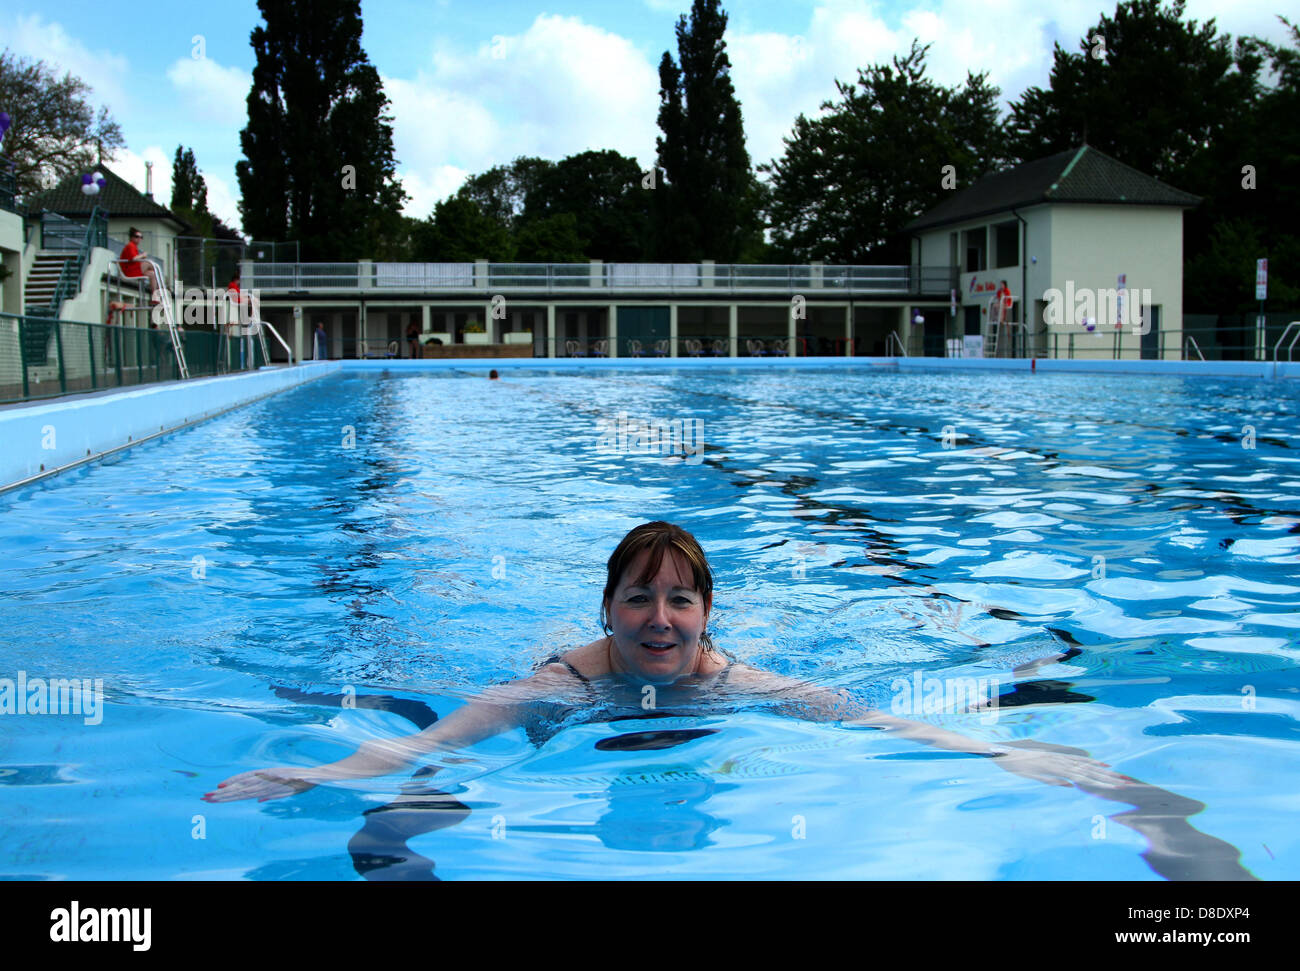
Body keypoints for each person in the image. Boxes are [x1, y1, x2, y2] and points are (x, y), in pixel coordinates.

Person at [205, 521, 1131, 805]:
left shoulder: (732, 680)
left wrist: (1009, 754)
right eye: (639, 597)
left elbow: (870, 720)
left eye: (680, 599)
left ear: (705, 615)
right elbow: (433, 742)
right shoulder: (558, 681)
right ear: (605, 610)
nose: (659, 618)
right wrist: (312, 773)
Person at [118, 227, 161, 301]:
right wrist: (143, 255)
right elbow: (133, 258)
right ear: (131, 237)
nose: (139, 239)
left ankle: (155, 296)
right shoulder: (130, 245)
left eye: (141, 237)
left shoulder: (134, 247)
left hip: (134, 269)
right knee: (149, 263)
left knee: (152, 274)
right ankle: (161, 288)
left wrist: (142, 257)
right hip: (129, 271)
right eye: (137, 237)